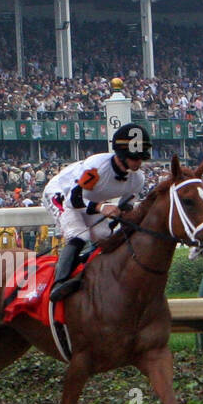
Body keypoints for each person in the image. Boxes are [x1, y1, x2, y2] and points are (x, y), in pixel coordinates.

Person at [43, 122, 151, 302]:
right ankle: (59, 283)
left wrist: (118, 217)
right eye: (135, 157)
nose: (139, 162)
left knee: (105, 235)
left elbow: (126, 206)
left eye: (141, 157)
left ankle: (97, 278)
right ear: (121, 155)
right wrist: (102, 207)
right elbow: (72, 201)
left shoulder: (137, 179)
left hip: (88, 200)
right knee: (79, 235)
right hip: (60, 194)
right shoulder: (96, 169)